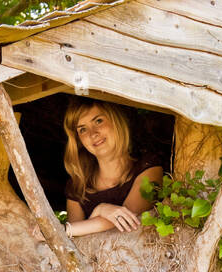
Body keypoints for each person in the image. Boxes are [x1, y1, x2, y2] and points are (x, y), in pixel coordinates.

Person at [60, 99, 163, 236]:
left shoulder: (149, 168)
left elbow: (127, 219)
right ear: (79, 140)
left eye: (98, 121)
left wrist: (64, 230)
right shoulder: (77, 185)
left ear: (116, 121)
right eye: (83, 129)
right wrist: (100, 210)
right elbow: (75, 244)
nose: (93, 133)